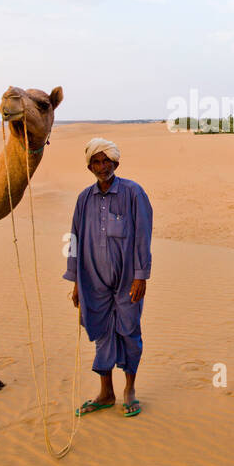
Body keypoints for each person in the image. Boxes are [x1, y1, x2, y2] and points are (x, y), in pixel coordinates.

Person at [64, 138, 152, 418]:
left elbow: (142, 237)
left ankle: (130, 391)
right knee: (100, 332)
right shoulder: (83, 199)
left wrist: (141, 276)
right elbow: (75, 239)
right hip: (93, 281)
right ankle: (105, 393)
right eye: (96, 162)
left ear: (116, 163)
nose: (102, 167)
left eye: (107, 161)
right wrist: (77, 281)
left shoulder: (133, 193)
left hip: (127, 280)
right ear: (89, 166)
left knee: (129, 331)